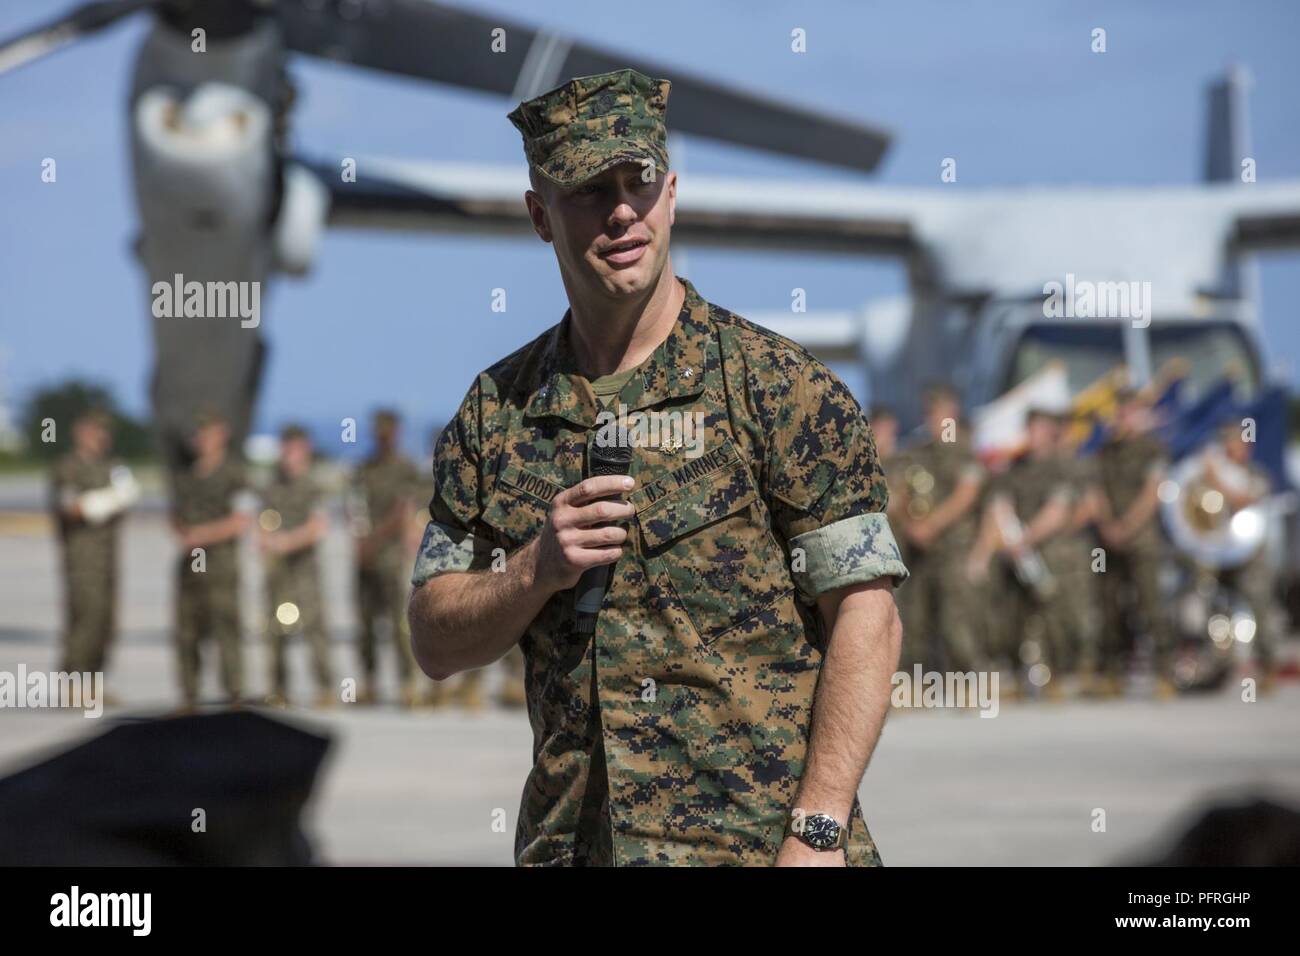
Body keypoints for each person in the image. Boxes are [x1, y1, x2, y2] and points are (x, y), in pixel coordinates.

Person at [408, 69, 908, 866]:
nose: (619, 212)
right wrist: (535, 568)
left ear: (670, 192)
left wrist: (818, 829)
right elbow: (435, 638)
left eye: (637, 181)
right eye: (586, 189)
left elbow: (868, 618)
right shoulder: (496, 411)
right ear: (540, 215)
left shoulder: (776, 388)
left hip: (756, 850)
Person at [969, 409, 1074, 697]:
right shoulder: (1015, 468)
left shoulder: (1060, 467)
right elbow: (999, 507)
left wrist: (1025, 538)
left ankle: (1058, 676)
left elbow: (1057, 511)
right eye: (1031, 428)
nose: (1034, 434)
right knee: (1012, 614)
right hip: (1016, 552)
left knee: (1054, 615)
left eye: (1040, 428)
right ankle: (1017, 675)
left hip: (1050, 552)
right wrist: (989, 549)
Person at [1091, 388, 1176, 698]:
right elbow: (1096, 491)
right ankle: (1112, 673)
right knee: (1110, 605)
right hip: (1109, 540)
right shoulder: (1105, 451)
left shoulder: (1152, 449)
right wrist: (1107, 525)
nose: (1123, 418)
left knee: (1151, 604)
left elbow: (1153, 493)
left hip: (1143, 540)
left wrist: (1126, 526)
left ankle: (1165, 671)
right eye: (1120, 412)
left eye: (1129, 412)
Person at [898, 384, 987, 673]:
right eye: (930, 412)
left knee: (957, 617)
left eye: (939, 412)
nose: (934, 418)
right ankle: (920, 680)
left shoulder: (964, 451)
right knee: (917, 615)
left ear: (953, 413)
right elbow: (900, 492)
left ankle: (967, 678)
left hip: (955, 547)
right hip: (921, 549)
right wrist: (912, 526)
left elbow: (966, 494)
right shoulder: (918, 452)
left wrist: (931, 526)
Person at [49, 408, 137, 683]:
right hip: (82, 559)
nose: (99, 436)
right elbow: (69, 508)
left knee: (106, 622)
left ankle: (94, 683)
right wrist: (104, 502)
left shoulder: (112, 467)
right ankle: (73, 680)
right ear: (79, 432)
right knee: (85, 618)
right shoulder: (67, 468)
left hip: (108, 557)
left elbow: (129, 498)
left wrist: (116, 500)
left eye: (103, 431)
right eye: (93, 430)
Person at [171, 408, 248, 709]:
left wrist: (201, 535)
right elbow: (176, 516)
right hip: (190, 566)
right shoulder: (187, 475)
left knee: (225, 630)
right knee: (186, 632)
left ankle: (234, 696)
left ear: (222, 434)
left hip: (220, 566)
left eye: (209, 433)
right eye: (198, 434)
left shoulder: (233, 474)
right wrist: (184, 533)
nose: (203, 439)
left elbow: (241, 520)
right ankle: (189, 697)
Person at [1197, 420, 1278, 692]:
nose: (1231, 448)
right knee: (1217, 610)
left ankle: (1267, 667)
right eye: (1227, 443)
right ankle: (1220, 667)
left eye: (1236, 442)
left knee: (1259, 606)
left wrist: (1215, 480)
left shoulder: (1256, 473)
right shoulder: (1211, 476)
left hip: (1251, 555)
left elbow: (1244, 499)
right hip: (1220, 553)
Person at [351, 409, 423, 707]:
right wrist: (359, 542)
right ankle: (369, 682)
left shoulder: (405, 468)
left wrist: (372, 541)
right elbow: (355, 508)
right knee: (366, 622)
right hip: (365, 558)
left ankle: (408, 684)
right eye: (378, 430)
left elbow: (402, 511)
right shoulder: (364, 468)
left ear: (395, 432)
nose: (382, 436)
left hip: (389, 556)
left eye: (387, 430)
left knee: (397, 622)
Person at [258, 424, 334, 708]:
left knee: (315, 627)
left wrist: (286, 542)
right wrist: (266, 540)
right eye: (285, 448)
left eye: (295, 449)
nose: (289, 455)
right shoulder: (271, 485)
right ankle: (277, 689)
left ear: (306, 451)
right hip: (277, 570)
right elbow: (262, 520)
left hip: (304, 568)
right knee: (274, 627)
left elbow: (318, 525)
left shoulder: (313, 486)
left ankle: (325, 687)